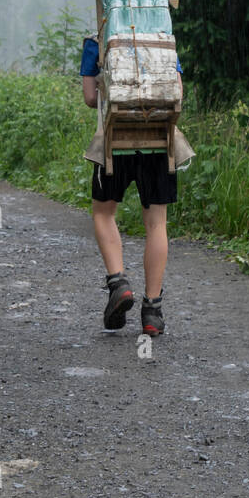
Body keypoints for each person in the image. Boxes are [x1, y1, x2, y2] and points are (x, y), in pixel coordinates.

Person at [81, 35, 182, 336]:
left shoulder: (96, 42)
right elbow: (178, 91)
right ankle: (152, 309)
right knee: (156, 223)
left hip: (116, 142)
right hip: (158, 141)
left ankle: (118, 282)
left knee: (103, 212)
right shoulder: (163, 38)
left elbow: (89, 97)